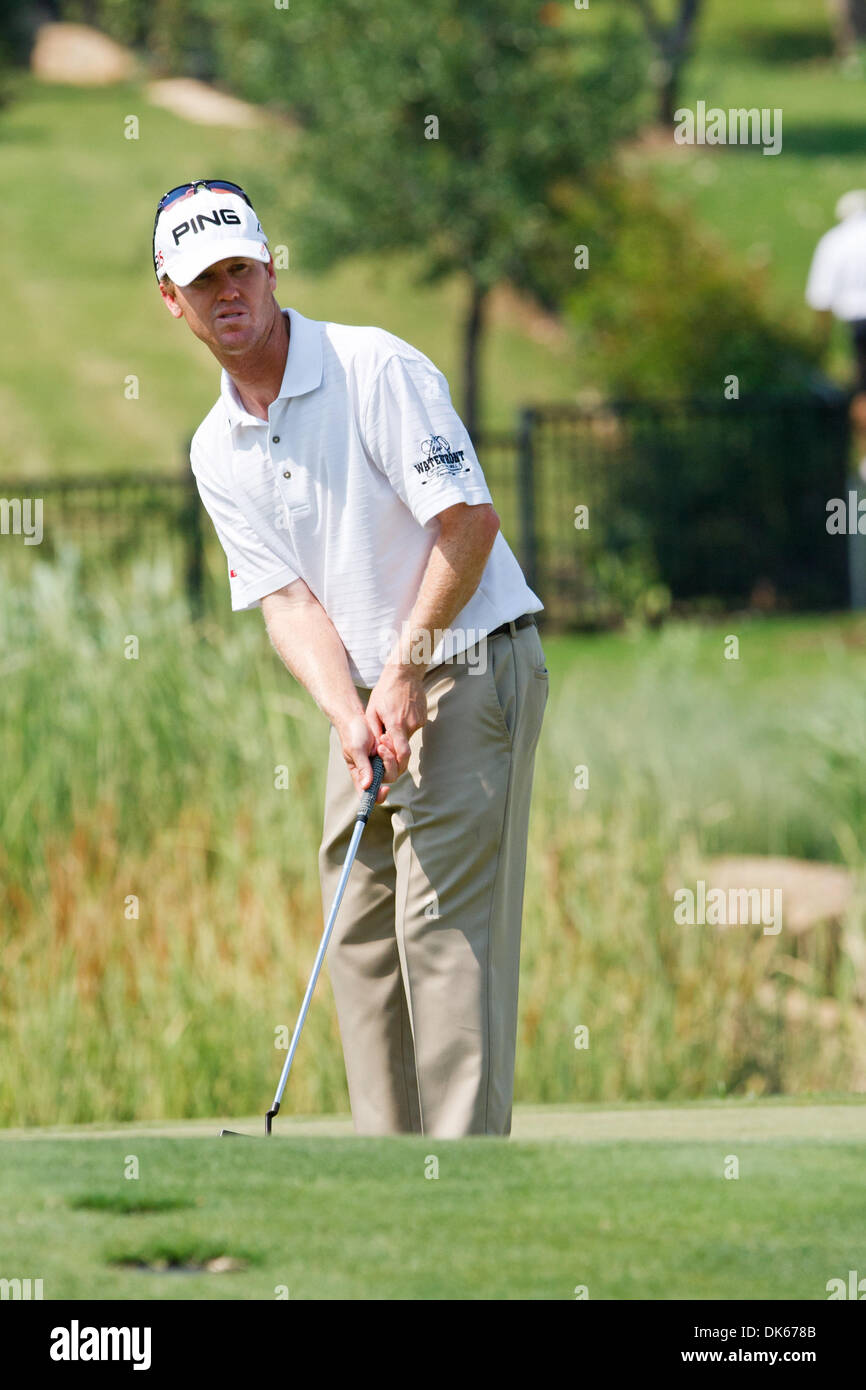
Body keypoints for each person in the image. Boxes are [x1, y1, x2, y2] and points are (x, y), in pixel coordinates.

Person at [153, 178, 549, 1138]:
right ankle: (390, 1180)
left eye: (240, 269)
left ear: (271, 266)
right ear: (172, 299)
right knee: (362, 933)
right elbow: (286, 600)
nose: (228, 293)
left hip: (465, 656)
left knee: (440, 931)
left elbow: (467, 524)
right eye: (204, 281)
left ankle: (461, 1190)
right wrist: (348, 710)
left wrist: (406, 673)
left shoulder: (374, 368)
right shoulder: (216, 447)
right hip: (370, 690)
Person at [805, 189, 866, 390]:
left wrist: (820, 346)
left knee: (861, 390)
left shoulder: (835, 240)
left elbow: (821, 298)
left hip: (858, 323)